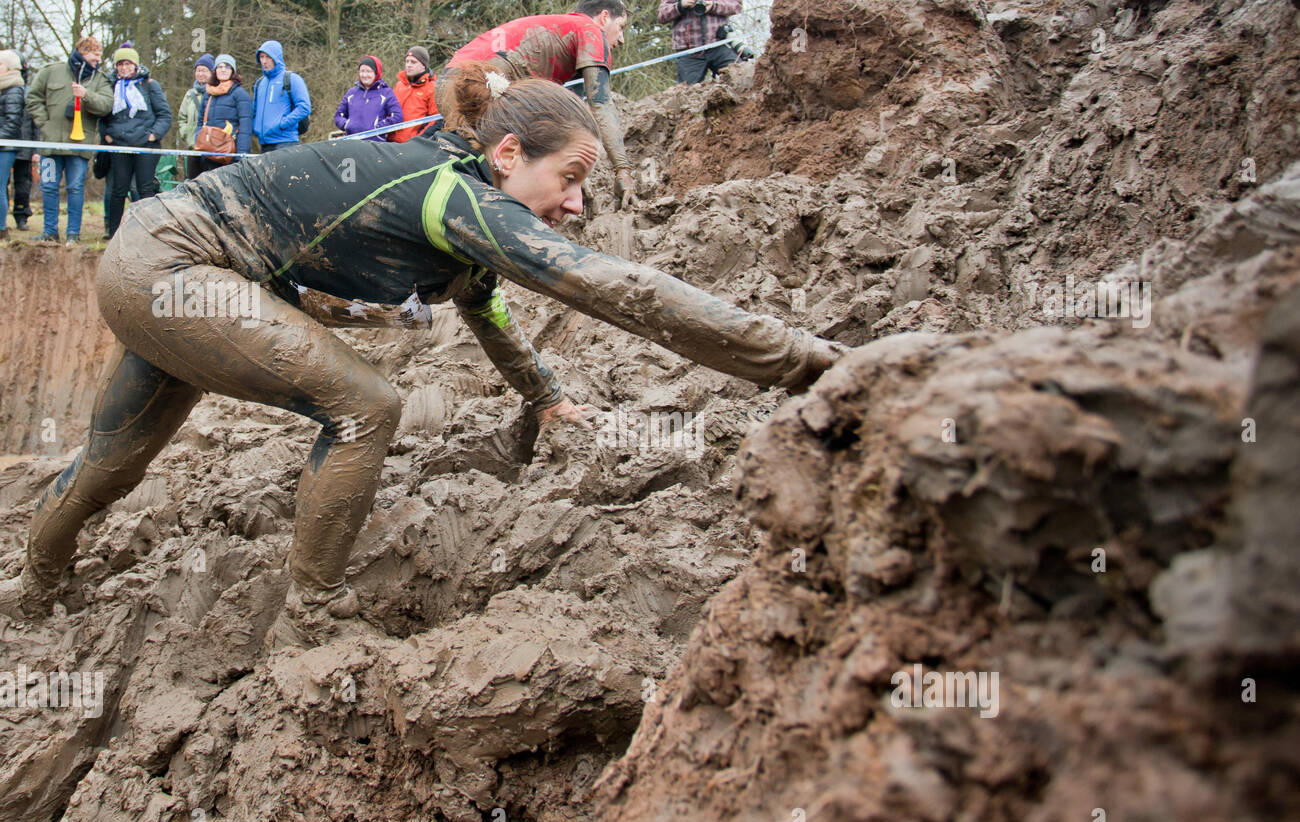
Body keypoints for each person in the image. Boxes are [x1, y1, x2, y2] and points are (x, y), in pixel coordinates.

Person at [0, 63, 845, 644]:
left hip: (157, 259)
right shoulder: (456, 195)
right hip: (177, 265)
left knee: (113, 461)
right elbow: (621, 290)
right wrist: (811, 361)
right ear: (508, 155)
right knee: (365, 406)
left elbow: (489, 314)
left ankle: (35, 587)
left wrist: (545, 398)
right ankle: (314, 614)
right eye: (572, 178)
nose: (579, 204)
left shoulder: (454, 201)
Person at [431, 0, 637, 209]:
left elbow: (560, 115)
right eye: (621, 27)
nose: (621, 40)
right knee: (491, 174)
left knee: (466, 162)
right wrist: (622, 169)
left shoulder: (558, 29)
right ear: (603, 17)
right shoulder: (591, 31)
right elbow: (601, 102)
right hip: (477, 80)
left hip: (454, 80)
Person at [26, 36, 113, 244]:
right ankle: (49, 232)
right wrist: (44, 123)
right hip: (50, 144)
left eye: (100, 54)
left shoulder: (99, 79)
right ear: (83, 52)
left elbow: (106, 105)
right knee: (48, 187)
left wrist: (86, 95)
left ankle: (73, 234)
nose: (98, 58)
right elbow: (33, 98)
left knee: (75, 188)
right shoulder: (50, 71)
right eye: (95, 54)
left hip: (79, 146)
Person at [99, 43, 172, 239]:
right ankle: (114, 233)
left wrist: (153, 135)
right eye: (120, 64)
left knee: (145, 189)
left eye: (128, 64)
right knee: (118, 190)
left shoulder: (150, 85)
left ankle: (148, 233)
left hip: (145, 146)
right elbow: (102, 115)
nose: (124, 68)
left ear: (135, 65)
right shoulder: (110, 87)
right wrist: (106, 135)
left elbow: (165, 115)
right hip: (120, 145)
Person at [190, 54, 252, 176]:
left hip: (228, 154)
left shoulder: (240, 94)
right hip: (207, 152)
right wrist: (199, 139)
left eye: (227, 67)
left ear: (232, 71)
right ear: (215, 70)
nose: (223, 69)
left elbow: (246, 126)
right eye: (220, 66)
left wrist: (241, 155)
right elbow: (200, 122)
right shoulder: (209, 93)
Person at [657, 0, 743, 84]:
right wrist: (681, 5)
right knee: (687, 94)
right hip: (689, 51)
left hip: (719, 44)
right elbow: (662, 16)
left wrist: (713, 5)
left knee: (740, 77)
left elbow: (737, 6)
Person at [252, 40, 310, 152]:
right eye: (261, 57)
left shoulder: (292, 79)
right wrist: (256, 128)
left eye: (268, 57)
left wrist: (282, 124)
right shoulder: (259, 83)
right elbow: (254, 111)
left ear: (276, 58)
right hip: (264, 143)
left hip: (285, 142)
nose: (264, 61)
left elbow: (304, 107)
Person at [333, 55, 401, 142]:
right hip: (351, 142)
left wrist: (378, 127)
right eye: (362, 71)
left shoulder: (386, 93)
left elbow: (397, 116)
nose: (365, 75)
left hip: (375, 144)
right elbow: (338, 115)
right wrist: (347, 125)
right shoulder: (352, 93)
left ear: (376, 73)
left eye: (369, 71)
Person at [4, 52, 36, 232]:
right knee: (3, 183)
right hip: (6, 144)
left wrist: (35, 147)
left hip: (24, 143)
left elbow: (35, 122)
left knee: (23, 183)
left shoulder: (28, 92)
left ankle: (21, 215)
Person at [0, 50, 24, 240]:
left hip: (5, 146)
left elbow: (13, 122)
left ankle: (1, 228)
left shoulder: (14, 89)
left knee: (0, 187)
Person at [391, 46, 436, 143]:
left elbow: (435, 119)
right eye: (407, 61)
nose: (409, 65)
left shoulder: (431, 88)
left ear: (423, 65)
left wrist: (419, 139)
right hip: (391, 143)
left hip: (414, 144)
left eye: (413, 62)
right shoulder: (399, 85)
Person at [177, 53, 215, 158]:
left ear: (211, 73)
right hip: (192, 146)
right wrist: (185, 133)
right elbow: (181, 118)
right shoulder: (190, 94)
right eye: (198, 70)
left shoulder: (215, 93)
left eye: (204, 70)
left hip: (211, 146)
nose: (201, 74)